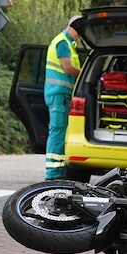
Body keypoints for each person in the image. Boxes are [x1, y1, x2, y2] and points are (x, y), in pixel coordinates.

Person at [44, 16, 83, 179]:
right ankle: (53, 173)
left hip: (61, 94)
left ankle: (58, 171)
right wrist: (84, 73)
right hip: (58, 94)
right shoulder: (62, 43)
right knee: (58, 132)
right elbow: (67, 68)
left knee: (60, 132)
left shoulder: (67, 44)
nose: (79, 36)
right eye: (79, 32)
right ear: (72, 27)